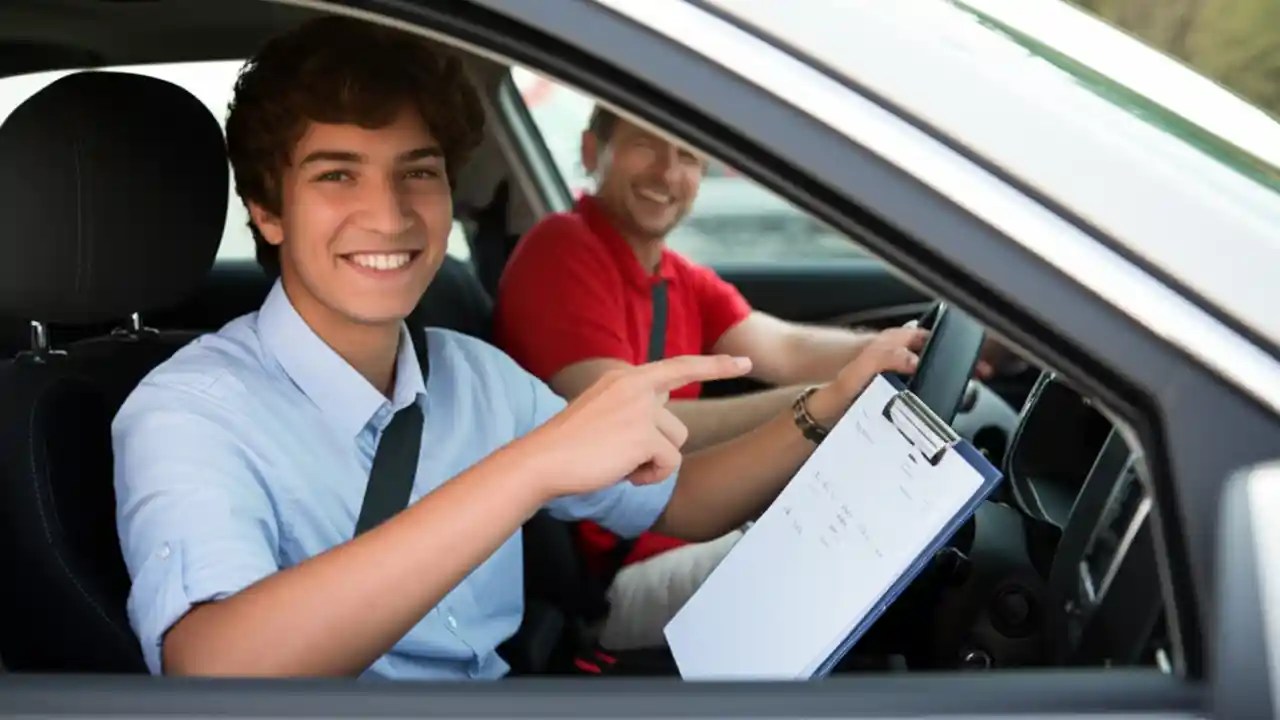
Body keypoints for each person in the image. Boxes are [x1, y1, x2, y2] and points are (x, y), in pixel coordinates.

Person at [111, 16, 925, 680]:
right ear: (267, 211)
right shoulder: (190, 411)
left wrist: (831, 404)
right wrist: (528, 469)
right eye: (337, 175)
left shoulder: (475, 377)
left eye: (418, 173)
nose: (389, 215)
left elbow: (682, 502)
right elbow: (216, 670)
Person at [492, 107, 932, 650]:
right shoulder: (561, 251)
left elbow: (787, 348)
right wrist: (831, 401)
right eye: (646, 145)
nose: (667, 173)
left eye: (688, 156)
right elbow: (628, 425)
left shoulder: (677, 276)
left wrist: (898, 347)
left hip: (691, 519)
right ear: (590, 151)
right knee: (873, 577)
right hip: (613, 572)